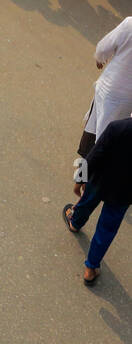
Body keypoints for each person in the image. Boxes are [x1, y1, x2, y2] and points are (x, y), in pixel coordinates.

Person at [63, 116, 132, 285]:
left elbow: (94, 156)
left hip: (99, 181)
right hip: (124, 193)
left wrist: (79, 181)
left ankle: (75, 222)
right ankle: (91, 268)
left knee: (85, 204)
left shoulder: (117, 127)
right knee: (106, 229)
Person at [76, 17, 132, 179]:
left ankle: (84, 179)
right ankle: (90, 179)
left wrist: (100, 58)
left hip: (109, 89)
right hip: (127, 101)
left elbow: (103, 48)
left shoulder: (130, 23)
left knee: (94, 133)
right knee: (112, 138)